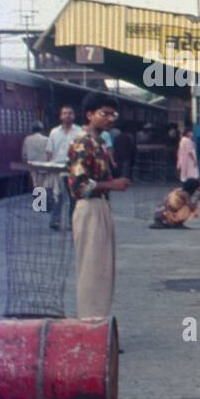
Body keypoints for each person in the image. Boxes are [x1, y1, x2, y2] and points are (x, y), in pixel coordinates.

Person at [66, 93, 131, 318]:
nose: (110, 118)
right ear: (90, 115)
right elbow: (79, 185)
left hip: (100, 206)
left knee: (103, 270)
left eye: (113, 114)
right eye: (105, 113)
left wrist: (110, 185)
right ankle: (90, 323)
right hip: (88, 207)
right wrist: (112, 185)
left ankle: (100, 324)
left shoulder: (100, 142)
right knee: (91, 270)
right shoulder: (81, 142)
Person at [46, 105, 84, 230]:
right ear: (60, 116)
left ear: (74, 115)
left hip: (74, 169)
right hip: (57, 168)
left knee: (74, 197)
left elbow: (82, 152)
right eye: (65, 113)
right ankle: (55, 221)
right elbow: (49, 151)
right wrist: (50, 166)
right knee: (57, 196)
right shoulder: (54, 132)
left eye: (70, 113)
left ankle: (72, 223)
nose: (67, 115)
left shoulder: (80, 131)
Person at [21, 122, 50, 195]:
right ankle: (41, 201)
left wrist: (25, 163)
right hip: (43, 164)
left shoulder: (27, 139)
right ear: (41, 130)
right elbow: (50, 153)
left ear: (32, 130)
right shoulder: (46, 139)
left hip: (32, 164)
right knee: (42, 184)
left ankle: (38, 200)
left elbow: (24, 154)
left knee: (35, 183)